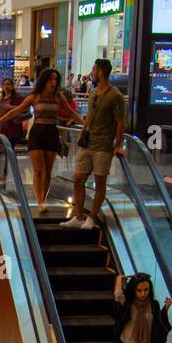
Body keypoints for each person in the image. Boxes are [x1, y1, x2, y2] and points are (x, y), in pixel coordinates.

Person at [0, 67, 75, 213]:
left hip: (52, 133)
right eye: (50, 79)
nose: (53, 82)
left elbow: (71, 112)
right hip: (37, 133)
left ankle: (43, 199)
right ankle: (40, 202)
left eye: (55, 79)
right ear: (44, 81)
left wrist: (86, 124)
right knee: (39, 170)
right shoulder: (35, 97)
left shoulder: (59, 97)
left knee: (48, 171)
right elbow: (15, 111)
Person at [60, 58, 125, 229]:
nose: (92, 73)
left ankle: (92, 217)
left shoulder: (115, 96)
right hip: (87, 143)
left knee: (99, 182)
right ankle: (79, 216)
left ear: (100, 72)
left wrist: (117, 145)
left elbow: (120, 122)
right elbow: (89, 115)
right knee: (78, 179)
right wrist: (83, 131)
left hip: (103, 146)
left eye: (94, 69)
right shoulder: (93, 93)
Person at [0, 78, 29, 148]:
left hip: (13, 128)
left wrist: (11, 107)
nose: (6, 86)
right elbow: (0, 113)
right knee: (4, 148)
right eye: (4, 85)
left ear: (12, 86)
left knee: (9, 148)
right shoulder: (3, 99)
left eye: (8, 84)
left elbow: (25, 109)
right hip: (3, 127)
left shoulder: (17, 97)